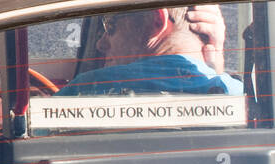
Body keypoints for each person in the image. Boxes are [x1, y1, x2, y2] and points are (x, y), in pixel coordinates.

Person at [57, 6, 242, 97]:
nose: (100, 44)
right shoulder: (241, 97)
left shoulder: (86, 89)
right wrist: (214, 67)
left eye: (110, 25)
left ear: (156, 20)